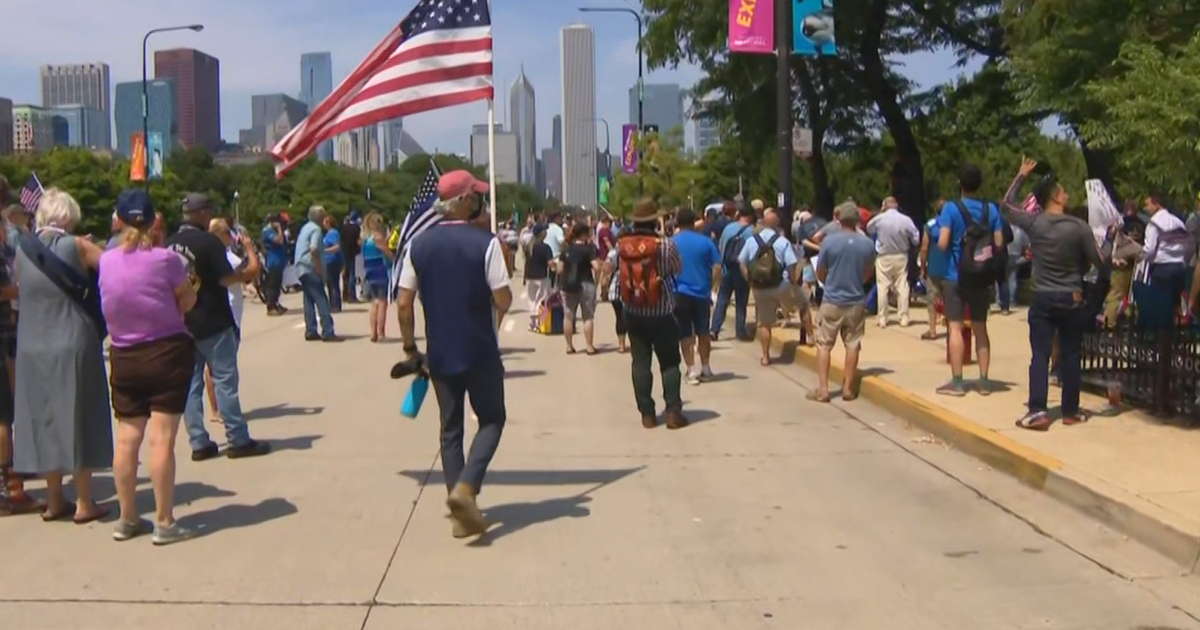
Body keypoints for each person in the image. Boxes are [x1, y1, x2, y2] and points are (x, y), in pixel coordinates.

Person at [396, 170, 512, 539]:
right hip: (479, 349)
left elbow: (403, 304)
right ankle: (467, 488)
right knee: (492, 420)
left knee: (451, 432)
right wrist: (497, 311)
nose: (478, 200)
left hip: (440, 354)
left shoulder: (420, 245)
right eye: (474, 195)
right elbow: (503, 297)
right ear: (462, 201)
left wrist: (412, 347)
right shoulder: (486, 243)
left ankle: (460, 512)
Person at [100, 189, 198, 543]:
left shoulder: (106, 261)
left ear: (119, 220)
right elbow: (187, 299)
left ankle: (127, 518)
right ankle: (164, 521)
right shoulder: (166, 260)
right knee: (162, 439)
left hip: (125, 355)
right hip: (166, 352)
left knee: (127, 439)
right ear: (154, 220)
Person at [11, 188, 111, 523]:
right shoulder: (78, 246)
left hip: (31, 345)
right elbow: (113, 269)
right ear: (68, 217)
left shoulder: (23, 252)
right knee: (79, 414)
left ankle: (54, 500)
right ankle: (84, 502)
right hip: (73, 339)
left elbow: (18, 294)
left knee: (44, 420)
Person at [1001, 158, 1103, 430]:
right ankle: (1070, 410)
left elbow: (1007, 205)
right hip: (1072, 296)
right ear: (1056, 197)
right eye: (1064, 192)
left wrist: (1021, 175)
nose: (1067, 195)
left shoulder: (1035, 223)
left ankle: (1038, 410)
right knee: (1070, 353)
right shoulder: (1078, 227)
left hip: (1043, 296)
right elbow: (1098, 260)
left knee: (1040, 355)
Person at [167, 192, 270, 461]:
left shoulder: (170, 244)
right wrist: (247, 273)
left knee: (191, 385)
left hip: (183, 321)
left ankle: (198, 441)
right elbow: (226, 279)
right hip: (213, 318)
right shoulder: (208, 242)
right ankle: (237, 438)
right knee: (225, 380)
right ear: (203, 213)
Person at [935, 164, 1007, 397]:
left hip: (955, 276)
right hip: (981, 277)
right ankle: (984, 381)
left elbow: (944, 242)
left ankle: (957, 382)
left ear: (960, 184)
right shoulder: (991, 210)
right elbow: (999, 243)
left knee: (955, 328)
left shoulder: (950, 209)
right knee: (980, 328)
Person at [617, 197, 686, 429]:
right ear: (654, 220)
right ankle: (673, 411)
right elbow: (677, 268)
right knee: (669, 362)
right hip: (662, 311)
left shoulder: (623, 244)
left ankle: (647, 413)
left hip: (633, 310)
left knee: (640, 361)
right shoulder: (665, 245)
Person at [810, 202, 876, 402]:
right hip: (856, 300)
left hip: (832, 299)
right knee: (853, 344)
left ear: (839, 220)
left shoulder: (829, 242)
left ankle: (823, 389)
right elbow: (868, 272)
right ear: (857, 220)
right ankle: (847, 388)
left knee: (823, 344)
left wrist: (827, 282)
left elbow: (820, 270)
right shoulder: (867, 243)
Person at [739, 209, 800, 366]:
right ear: (777, 224)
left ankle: (766, 356)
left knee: (764, 323)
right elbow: (792, 264)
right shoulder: (782, 241)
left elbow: (742, 262)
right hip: (780, 285)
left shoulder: (752, 241)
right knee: (803, 305)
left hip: (760, 287)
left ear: (763, 223)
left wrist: (750, 280)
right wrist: (793, 281)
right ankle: (809, 335)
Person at [203, 218, 249, 425]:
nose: (230, 238)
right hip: (227, 314)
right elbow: (248, 273)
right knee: (221, 369)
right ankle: (220, 409)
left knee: (217, 367)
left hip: (230, 312)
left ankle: (218, 408)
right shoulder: (225, 257)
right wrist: (249, 249)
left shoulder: (220, 256)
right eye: (227, 234)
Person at [672, 207, 721, 384]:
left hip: (679, 293)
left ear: (677, 222)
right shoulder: (706, 242)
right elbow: (717, 267)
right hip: (701, 292)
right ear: (694, 222)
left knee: (685, 334)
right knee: (703, 332)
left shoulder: (672, 242)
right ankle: (706, 367)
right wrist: (712, 287)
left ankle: (691, 370)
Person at [866, 196, 919, 328]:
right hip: (901, 255)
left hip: (884, 255)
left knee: (882, 287)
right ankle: (904, 317)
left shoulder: (879, 219)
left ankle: (883, 318)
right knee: (902, 286)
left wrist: (880, 213)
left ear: (885, 206)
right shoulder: (906, 220)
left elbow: (869, 228)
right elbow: (916, 238)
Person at [294, 205, 339, 341]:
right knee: (321, 298)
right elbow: (313, 249)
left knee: (308, 299)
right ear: (319, 216)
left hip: (301, 267)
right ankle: (328, 330)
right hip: (310, 267)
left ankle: (311, 330)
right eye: (323, 214)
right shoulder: (316, 229)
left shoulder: (305, 228)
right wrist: (319, 268)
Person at [710, 205, 755, 341]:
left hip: (726, 269)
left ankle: (714, 329)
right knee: (741, 302)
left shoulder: (728, 229)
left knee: (723, 300)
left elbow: (721, 248)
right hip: (742, 270)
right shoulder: (751, 232)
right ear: (750, 216)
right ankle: (740, 331)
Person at [557, 223, 601, 355]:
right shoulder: (589, 250)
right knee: (588, 316)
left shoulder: (566, 250)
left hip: (569, 286)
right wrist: (597, 281)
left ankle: (569, 346)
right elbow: (597, 267)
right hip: (586, 283)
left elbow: (559, 269)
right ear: (585, 235)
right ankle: (589, 346)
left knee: (568, 316)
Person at [919, 198, 948, 340]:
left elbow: (924, 248)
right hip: (952, 268)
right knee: (952, 299)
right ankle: (953, 327)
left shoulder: (930, 225)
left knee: (932, 299)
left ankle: (932, 329)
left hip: (935, 268)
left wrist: (923, 267)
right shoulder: (955, 224)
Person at [361, 212, 393, 342]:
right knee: (382, 302)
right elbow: (387, 253)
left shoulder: (366, 239)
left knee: (374, 302)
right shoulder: (378, 238)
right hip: (380, 270)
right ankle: (380, 332)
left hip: (369, 271)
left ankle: (373, 332)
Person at [524, 225, 552, 331]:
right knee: (542, 300)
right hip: (542, 277)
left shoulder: (530, 246)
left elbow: (526, 263)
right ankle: (541, 322)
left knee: (532, 300)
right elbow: (550, 263)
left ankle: (533, 322)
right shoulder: (545, 248)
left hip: (530, 276)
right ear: (542, 233)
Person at [261, 213, 288, 316]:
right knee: (272, 285)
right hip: (273, 261)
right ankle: (271, 306)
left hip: (279, 261)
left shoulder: (274, 231)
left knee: (277, 285)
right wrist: (280, 229)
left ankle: (276, 304)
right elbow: (279, 240)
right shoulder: (267, 231)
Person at [322, 213, 344, 313]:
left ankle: (336, 304)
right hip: (328, 260)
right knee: (330, 283)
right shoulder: (327, 234)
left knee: (333, 283)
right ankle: (332, 303)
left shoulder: (333, 233)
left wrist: (325, 251)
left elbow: (337, 246)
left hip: (333, 260)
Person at [341, 211, 362, 303]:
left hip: (344, 252)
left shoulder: (343, 228)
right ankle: (352, 296)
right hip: (352, 253)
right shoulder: (356, 228)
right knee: (352, 275)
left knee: (345, 274)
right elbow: (358, 241)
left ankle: (345, 295)